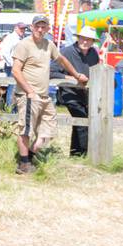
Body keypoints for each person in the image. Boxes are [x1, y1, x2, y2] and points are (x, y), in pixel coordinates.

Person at [11, 14, 89, 175]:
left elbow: (62, 60)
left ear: (47, 28)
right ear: (31, 28)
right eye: (37, 26)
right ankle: (24, 165)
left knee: (48, 131)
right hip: (28, 97)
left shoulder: (49, 45)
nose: (40, 29)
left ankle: (30, 156)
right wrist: (30, 92)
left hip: (44, 97)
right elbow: (15, 71)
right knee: (26, 130)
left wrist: (76, 75)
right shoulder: (23, 45)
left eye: (43, 26)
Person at [52, 25, 101, 157]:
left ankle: (75, 154)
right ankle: (84, 155)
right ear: (78, 38)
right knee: (82, 122)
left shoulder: (93, 53)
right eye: (83, 38)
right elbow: (51, 71)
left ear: (93, 41)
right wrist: (73, 77)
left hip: (86, 95)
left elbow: (95, 70)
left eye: (89, 39)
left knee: (81, 123)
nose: (85, 42)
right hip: (70, 94)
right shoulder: (66, 52)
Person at [0, 22, 27, 110]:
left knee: (18, 88)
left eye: (24, 29)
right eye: (21, 28)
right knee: (12, 87)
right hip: (12, 66)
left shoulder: (21, 38)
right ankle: (10, 109)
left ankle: (15, 109)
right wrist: (14, 65)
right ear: (15, 28)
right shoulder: (11, 38)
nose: (23, 30)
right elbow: (5, 53)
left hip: (19, 66)